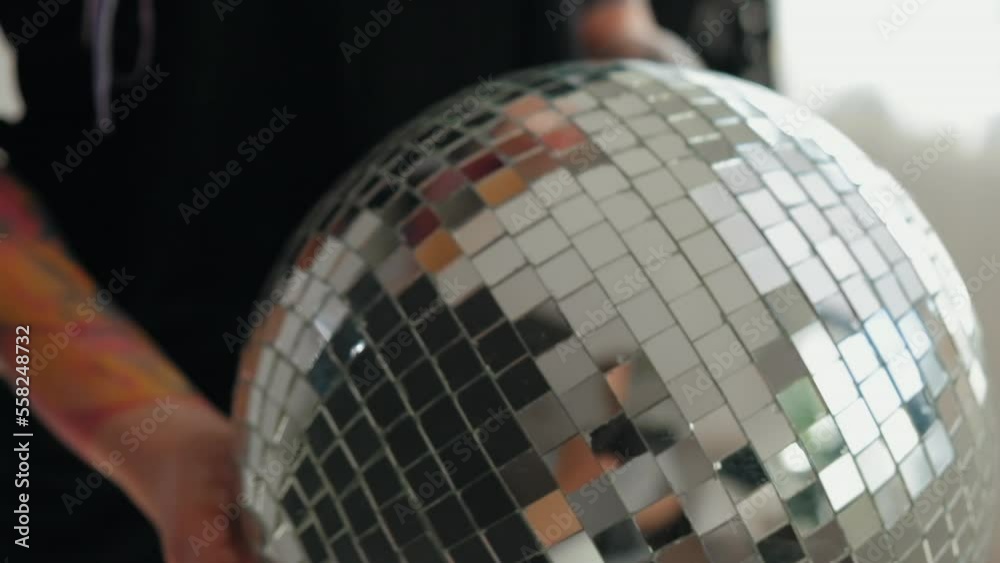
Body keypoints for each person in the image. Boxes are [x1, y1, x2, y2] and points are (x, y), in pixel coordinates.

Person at [1, 1, 702, 561]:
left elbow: (610, 26)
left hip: (479, 437)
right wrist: (169, 448)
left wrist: (652, 89)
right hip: (137, 467)